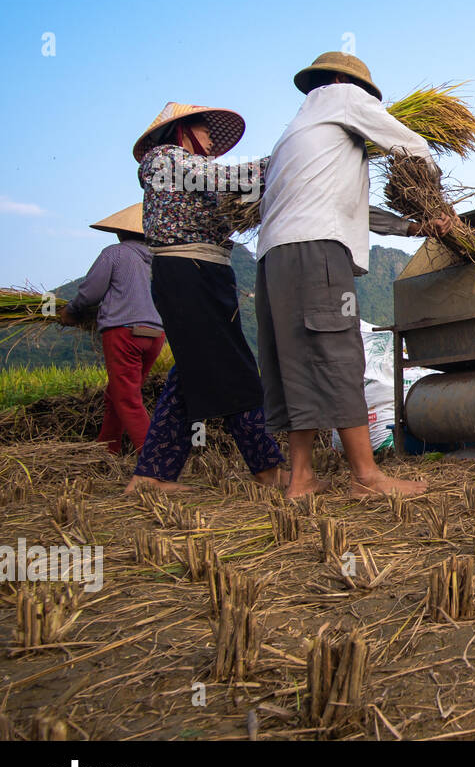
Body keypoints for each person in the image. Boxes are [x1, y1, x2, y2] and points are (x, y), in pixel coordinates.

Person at [257, 52, 449, 499]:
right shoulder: (342, 96)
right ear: (344, 80)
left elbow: (351, 206)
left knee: (294, 359)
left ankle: (300, 478)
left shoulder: (295, 132)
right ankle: (367, 477)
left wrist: (410, 227)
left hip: (275, 256)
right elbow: (413, 147)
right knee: (339, 352)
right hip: (317, 250)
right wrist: (435, 204)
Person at [126, 102, 286, 493]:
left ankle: (152, 475)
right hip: (187, 273)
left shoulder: (195, 178)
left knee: (192, 374)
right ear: (182, 131)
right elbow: (228, 177)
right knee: (235, 369)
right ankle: (267, 468)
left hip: (206, 274)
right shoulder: (164, 159)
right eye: (206, 130)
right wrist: (292, 153)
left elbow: (241, 198)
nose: (213, 139)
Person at [60, 204, 165, 455]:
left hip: (124, 334)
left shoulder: (115, 254)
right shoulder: (161, 261)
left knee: (127, 398)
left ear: (120, 232)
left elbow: (90, 293)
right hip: (156, 335)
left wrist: (72, 311)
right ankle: (108, 449)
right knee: (117, 394)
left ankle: (154, 460)